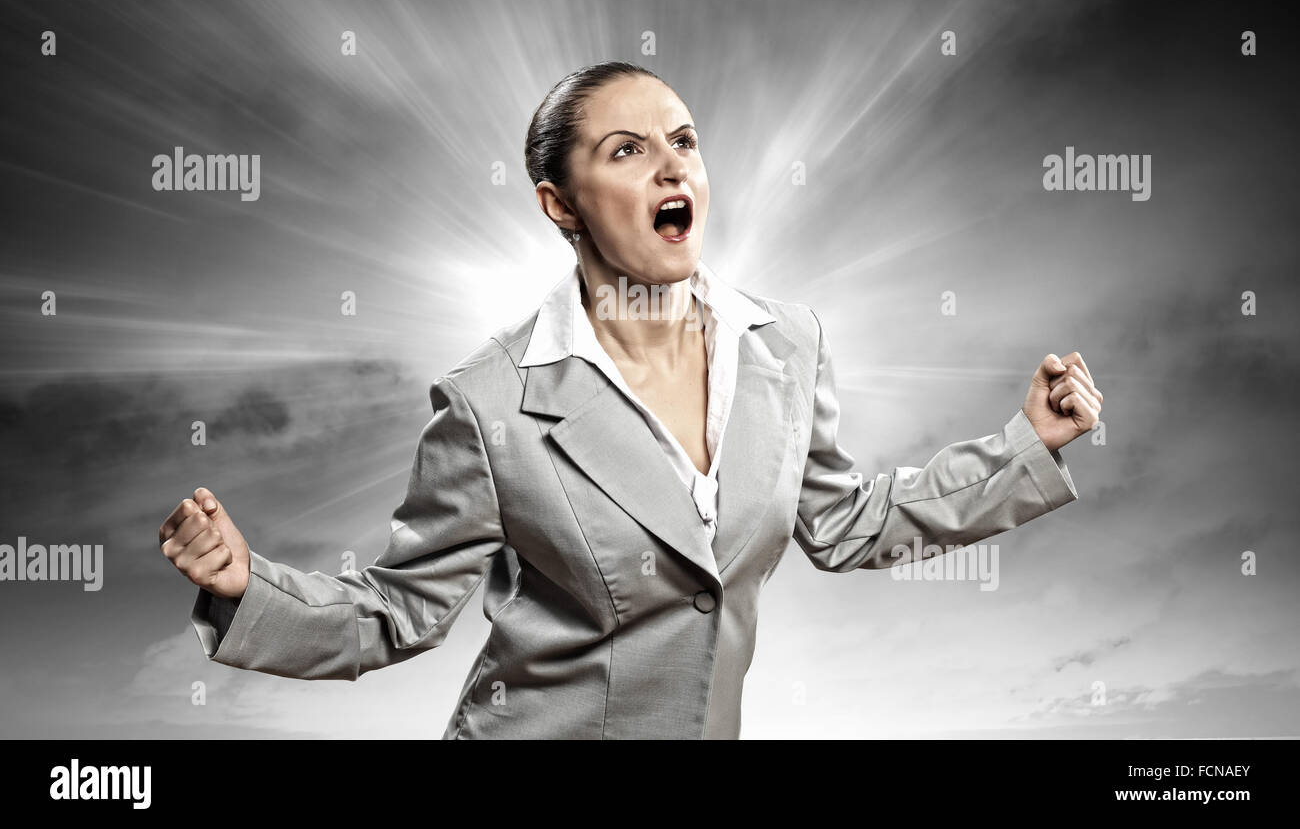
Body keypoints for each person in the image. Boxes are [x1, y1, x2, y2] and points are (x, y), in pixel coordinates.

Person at [158, 60, 1103, 739]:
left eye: (684, 142)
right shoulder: (490, 405)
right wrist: (246, 586)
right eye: (627, 149)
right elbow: (396, 612)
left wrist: (1028, 442)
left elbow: (848, 522)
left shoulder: (787, 345)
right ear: (559, 203)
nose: (672, 166)